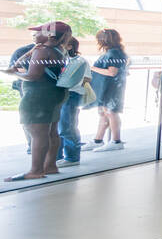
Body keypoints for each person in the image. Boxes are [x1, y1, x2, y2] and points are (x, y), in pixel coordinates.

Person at [6, 21, 70, 181]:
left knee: (37, 132)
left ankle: (35, 170)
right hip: (55, 94)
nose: (34, 35)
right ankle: (50, 166)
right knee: (51, 131)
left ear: (50, 35)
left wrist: (14, 74)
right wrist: (29, 53)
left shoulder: (42, 51)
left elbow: (33, 76)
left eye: (38, 32)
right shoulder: (59, 49)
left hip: (39, 96)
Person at [89, 28, 128, 152]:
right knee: (105, 113)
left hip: (112, 87)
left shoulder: (113, 53)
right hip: (110, 86)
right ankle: (98, 140)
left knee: (111, 112)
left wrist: (93, 68)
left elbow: (112, 72)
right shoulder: (115, 52)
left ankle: (116, 140)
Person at [55, 36, 90, 165]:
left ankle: (72, 157)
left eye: (61, 44)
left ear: (70, 46)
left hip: (71, 95)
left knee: (67, 126)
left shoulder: (79, 61)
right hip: (61, 95)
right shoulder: (62, 59)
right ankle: (57, 156)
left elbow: (87, 79)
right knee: (58, 127)